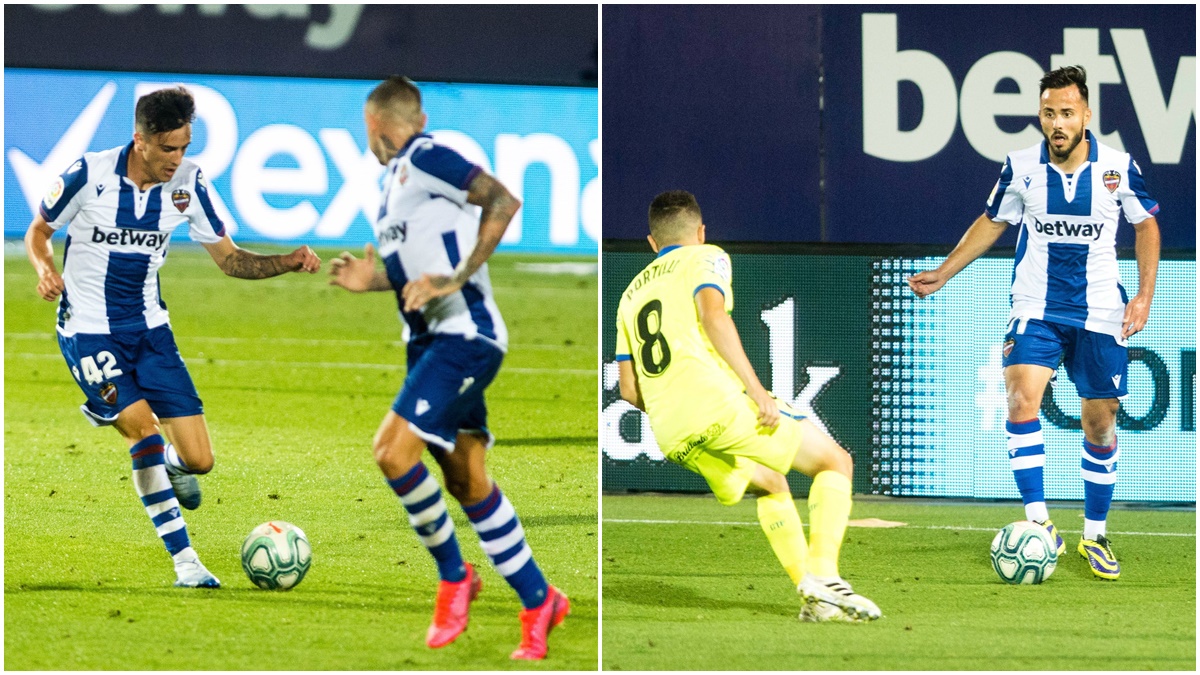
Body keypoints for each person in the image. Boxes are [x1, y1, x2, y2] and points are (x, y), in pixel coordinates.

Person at [24, 86, 322, 588]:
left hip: (151, 333)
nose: (177, 159)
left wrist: (285, 263)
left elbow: (230, 260)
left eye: (184, 147)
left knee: (199, 461)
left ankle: (171, 466)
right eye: (168, 149)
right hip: (88, 331)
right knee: (143, 429)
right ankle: (187, 563)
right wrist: (44, 269)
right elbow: (38, 231)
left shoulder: (188, 183)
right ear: (140, 140)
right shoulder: (89, 174)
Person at [328, 76, 568, 660]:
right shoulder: (395, 183)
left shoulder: (426, 156)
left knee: (391, 452)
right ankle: (541, 601)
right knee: (465, 479)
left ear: (378, 127)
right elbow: (417, 268)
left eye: (366, 132)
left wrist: (458, 279)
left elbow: (502, 198)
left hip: (465, 337)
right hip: (429, 341)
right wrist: (375, 279)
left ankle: (454, 576)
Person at [908, 66, 1160, 581]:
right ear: (1040, 116)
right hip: (1036, 307)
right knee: (1021, 398)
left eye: (1067, 113)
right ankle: (1040, 526)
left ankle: (1095, 534)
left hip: (1101, 312)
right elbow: (994, 221)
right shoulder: (1020, 167)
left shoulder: (1116, 167)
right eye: (1049, 113)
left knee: (1100, 421)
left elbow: (1146, 224)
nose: (1057, 123)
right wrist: (944, 272)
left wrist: (1144, 296)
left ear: (1086, 116)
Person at [614, 190, 881, 623]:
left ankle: (811, 596)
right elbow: (713, 315)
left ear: (651, 243)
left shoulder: (629, 296)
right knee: (835, 463)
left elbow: (629, 391)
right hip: (716, 406)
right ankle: (826, 578)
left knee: (771, 482)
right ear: (700, 232)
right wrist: (756, 391)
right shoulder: (706, 257)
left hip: (669, 433)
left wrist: (673, 408)